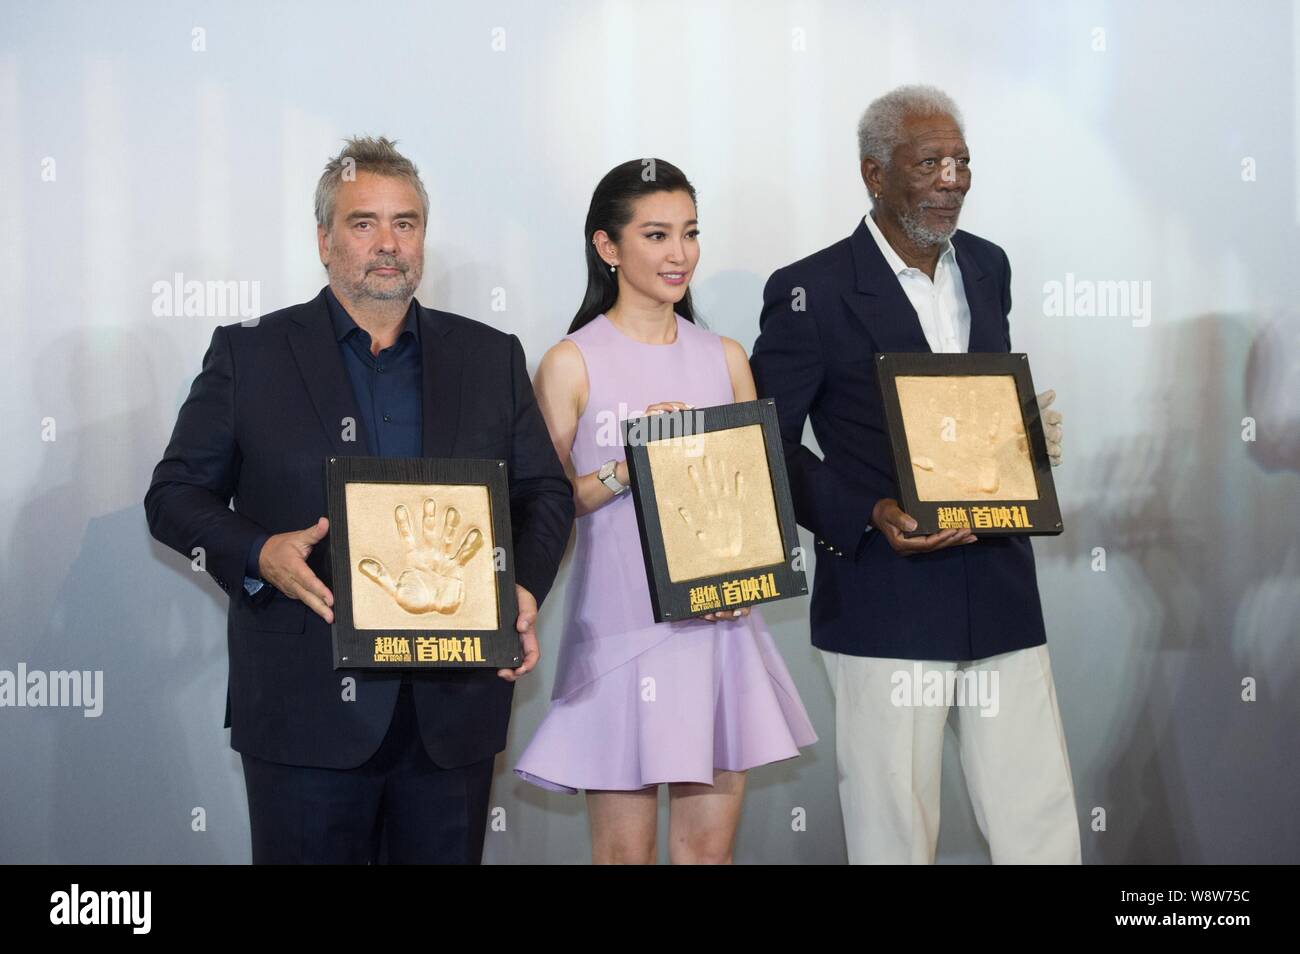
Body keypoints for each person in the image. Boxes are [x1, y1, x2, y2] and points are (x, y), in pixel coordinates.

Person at [144, 136, 574, 864]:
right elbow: (175, 494)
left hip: (453, 709)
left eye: (405, 223)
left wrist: (524, 588)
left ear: (423, 239)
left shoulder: (489, 355)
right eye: (363, 222)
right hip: (303, 710)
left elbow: (545, 494)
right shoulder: (250, 354)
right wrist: (259, 552)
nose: (388, 243)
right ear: (323, 239)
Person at [750, 86, 1080, 864]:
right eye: (929, 160)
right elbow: (768, 445)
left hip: (999, 585)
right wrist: (869, 512)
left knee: (1039, 819)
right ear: (874, 172)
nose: (952, 178)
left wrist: (1022, 442)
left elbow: (975, 414)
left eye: (962, 160)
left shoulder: (990, 267)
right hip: (883, 599)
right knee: (893, 832)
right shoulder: (811, 289)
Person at [514, 159, 817, 864]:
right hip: (619, 635)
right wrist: (628, 466)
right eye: (656, 235)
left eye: (689, 233)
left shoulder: (726, 357)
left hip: (720, 631)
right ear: (607, 247)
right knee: (623, 859)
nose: (679, 253)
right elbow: (546, 507)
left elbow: (759, 500)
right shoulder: (570, 361)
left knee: (707, 857)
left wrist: (741, 579)